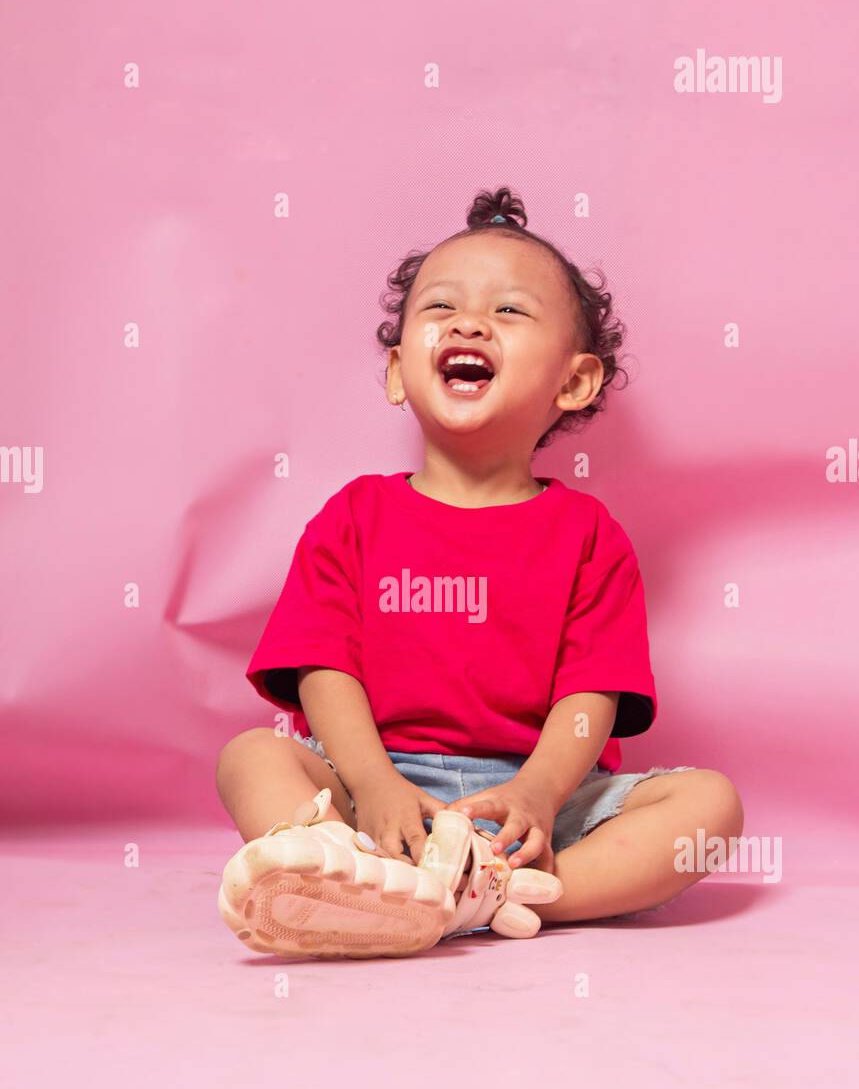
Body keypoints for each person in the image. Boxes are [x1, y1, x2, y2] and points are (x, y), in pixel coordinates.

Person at [215, 186, 744, 960]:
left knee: (709, 806)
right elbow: (323, 668)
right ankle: (353, 870)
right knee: (251, 757)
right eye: (442, 309)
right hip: (379, 793)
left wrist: (539, 791)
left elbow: (587, 694)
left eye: (509, 312)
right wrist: (375, 785)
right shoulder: (353, 517)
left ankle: (496, 893)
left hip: (537, 806)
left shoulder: (590, 536)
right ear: (399, 371)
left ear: (573, 382)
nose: (468, 324)